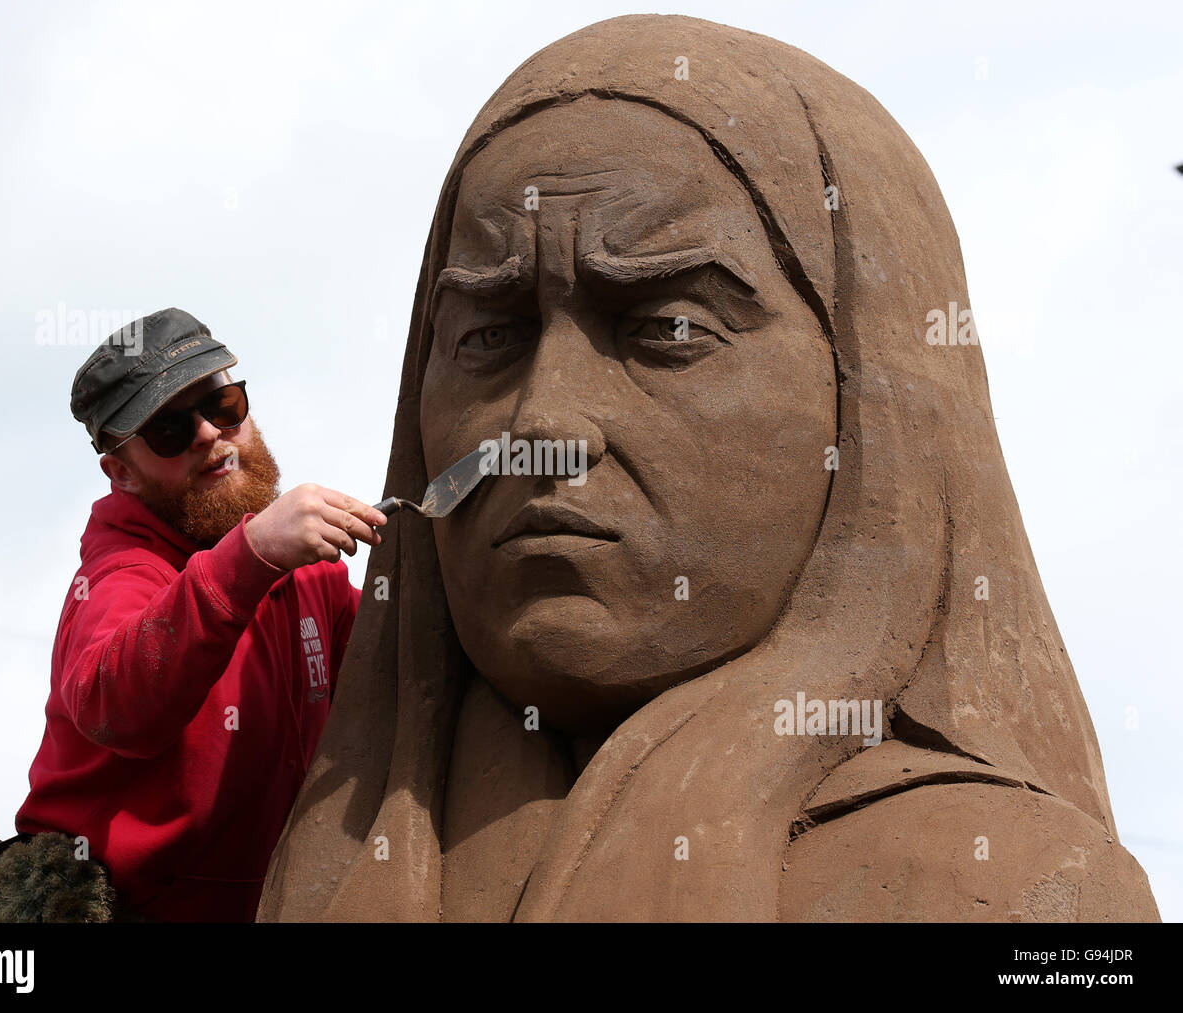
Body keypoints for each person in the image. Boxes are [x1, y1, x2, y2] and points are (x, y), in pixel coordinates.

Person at [256, 15, 1158, 921]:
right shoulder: (328, 867)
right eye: (491, 337)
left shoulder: (1029, 893)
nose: (544, 425)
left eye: (670, 328)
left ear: (871, 398)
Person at [16, 307, 386, 921]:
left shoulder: (309, 575)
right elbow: (113, 703)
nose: (210, 435)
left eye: (223, 405)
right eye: (169, 430)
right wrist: (253, 553)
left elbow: (394, 668)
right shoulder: (120, 577)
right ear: (121, 473)